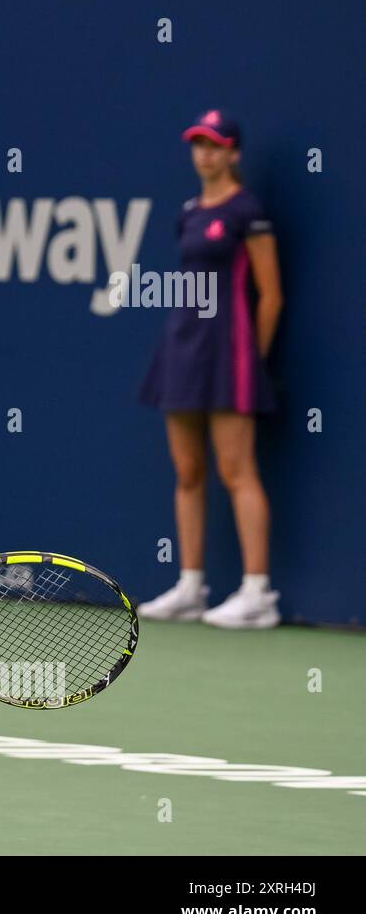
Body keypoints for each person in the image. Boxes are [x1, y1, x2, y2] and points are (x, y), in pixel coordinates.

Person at [138, 109, 284, 629]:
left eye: (216, 145)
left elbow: (270, 295)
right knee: (188, 471)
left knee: (236, 470)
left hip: (230, 354)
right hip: (182, 350)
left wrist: (252, 358)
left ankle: (257, 593)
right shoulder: (189, 211)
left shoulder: (248, 210)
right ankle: (191, 586)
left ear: (233, 154)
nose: (205, 153)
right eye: (199, 144)